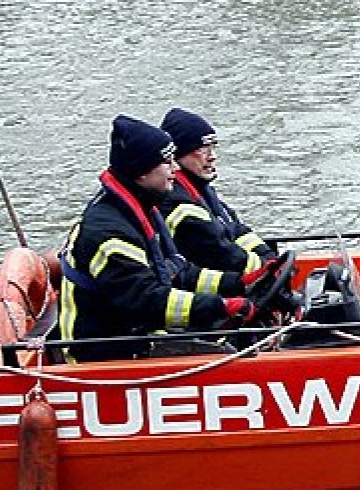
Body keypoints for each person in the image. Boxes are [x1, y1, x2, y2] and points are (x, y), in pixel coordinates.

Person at [58, 115, 261, 362]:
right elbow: (146, 300)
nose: (175, 169)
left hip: (137, 337)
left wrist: (239, 283)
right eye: (166, 162)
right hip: (100, 357)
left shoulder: (142, 209)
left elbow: (178, 272)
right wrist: (218, 307)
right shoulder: (109, 233)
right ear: (141, 172)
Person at [158, 107, 278, 274]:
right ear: (178, 155)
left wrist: (266, 255)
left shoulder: (201, 190)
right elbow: (219, 254)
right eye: (202, 149)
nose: (212, 156)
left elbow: (235, 228)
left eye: (213, 147)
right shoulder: (177, 203)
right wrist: (266, 268)